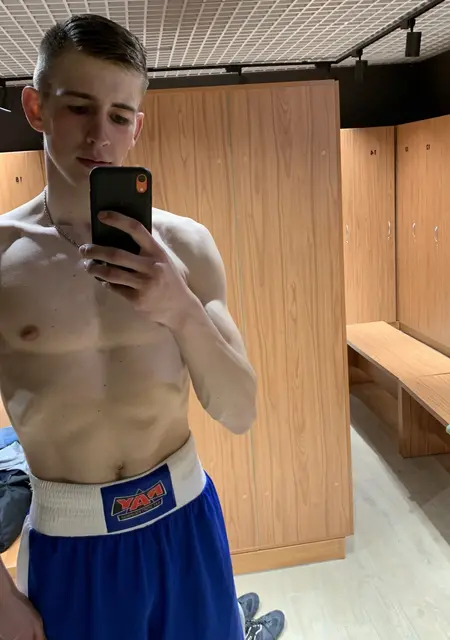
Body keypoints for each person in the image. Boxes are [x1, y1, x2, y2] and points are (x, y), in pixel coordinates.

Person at [0, 13, 257, 640]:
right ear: (35, 107)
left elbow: (239, 410)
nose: (100, 135)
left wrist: (180, 308)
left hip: (186, 522)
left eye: (119, 116)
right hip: (72, 544)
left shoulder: (186, 247)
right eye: (78, 108)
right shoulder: (4, 256)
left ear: (137, 126)